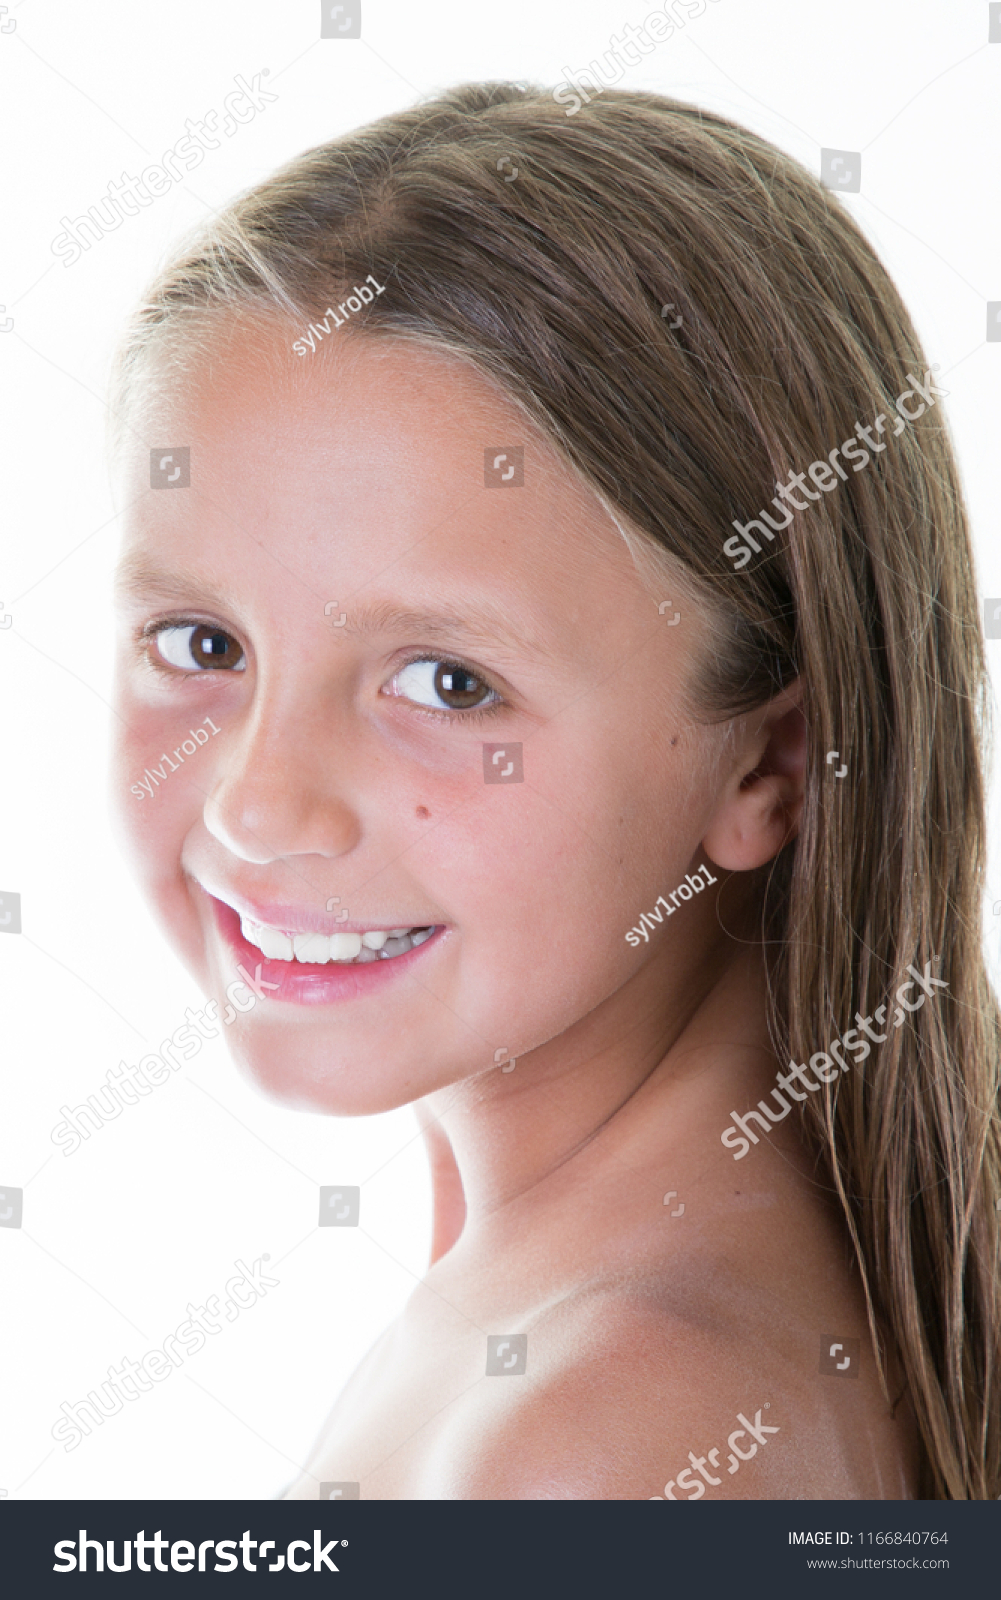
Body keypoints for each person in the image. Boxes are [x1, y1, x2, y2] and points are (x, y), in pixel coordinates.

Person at [108, 83, 1000, 1500]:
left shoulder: (600, 1442)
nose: (255, 807)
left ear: (769, 762)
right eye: (201, 645)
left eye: (449, 684)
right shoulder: (538, 1325)